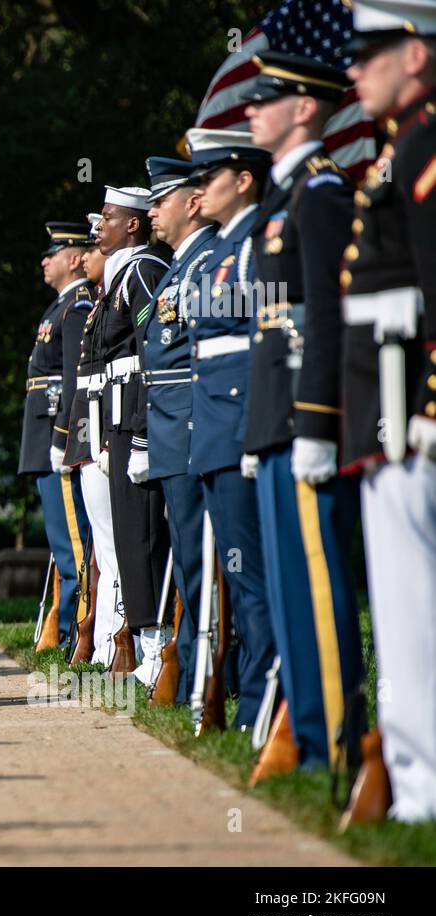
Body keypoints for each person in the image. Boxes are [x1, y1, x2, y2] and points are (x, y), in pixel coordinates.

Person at [242, 51, 363, 773]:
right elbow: (270, 330)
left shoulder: (320, 195)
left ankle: (339, 740)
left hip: (305, 424)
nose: (252, 110)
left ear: (307, 108)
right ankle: (310, 735)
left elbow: (327, 320)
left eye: (268, 99)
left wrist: (316, 421)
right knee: (289, 588)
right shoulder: (282, 199)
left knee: (317, 588)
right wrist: (263, 426)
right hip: (276, 423)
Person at [340, 0, 436, 822]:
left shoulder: (426, 146)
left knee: (413, 605)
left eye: (369, 55)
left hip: (414, 411)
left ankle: (424, 783)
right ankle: (413, 778)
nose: (353, 71)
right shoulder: (399, 149)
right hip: (385, 411)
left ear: (414, 52)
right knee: (401, 606)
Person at [185, 127, 277, 729]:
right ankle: (252, 695)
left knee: (252, 578)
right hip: (212, 429)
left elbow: (265, 341)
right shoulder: (219, 249)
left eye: (209, 180)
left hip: (240, 424)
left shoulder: (256, 244)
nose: (198, 193)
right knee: (233, 579)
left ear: (243, 180)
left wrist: (254, 428)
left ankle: (263, 703)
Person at [142, 156, 215, 697]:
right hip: (171, 431)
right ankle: (193, 667)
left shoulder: (206, 260)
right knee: (189, 559)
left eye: (160, 201)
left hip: (191, 428)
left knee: (203, 560)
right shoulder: (178, 266)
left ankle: (207, 671)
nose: (151, 211)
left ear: (192, 203)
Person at [93, 185, 170, 676]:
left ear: (134, 224)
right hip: (119, 419)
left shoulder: (143, 271)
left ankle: (157, 644)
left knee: (143, 535)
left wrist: (142, 435)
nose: (99, 225)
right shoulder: (120, 275)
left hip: (137, 419)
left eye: (109, 216)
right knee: (126, 536)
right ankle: (145, 641)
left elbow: (151, 354)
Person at [57, 215, 123, 662]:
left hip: (107, 431)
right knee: (102, 543)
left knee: (112, 543)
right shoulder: (96, 301)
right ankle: (102, 639)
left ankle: (117, 637)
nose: (84, 258)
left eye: (92, 251)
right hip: (92, 432)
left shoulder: (99, 298)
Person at [27, 223, 93, 644]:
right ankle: (66, 626)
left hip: (57, 433)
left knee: (73, 545)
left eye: (54, 252)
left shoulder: (78, 305)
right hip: (44, 432)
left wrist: (63, 438)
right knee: (61, 539)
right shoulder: (62, 306)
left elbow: (73, 380)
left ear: (74, 258)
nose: (44, 260)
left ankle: (75, 631)